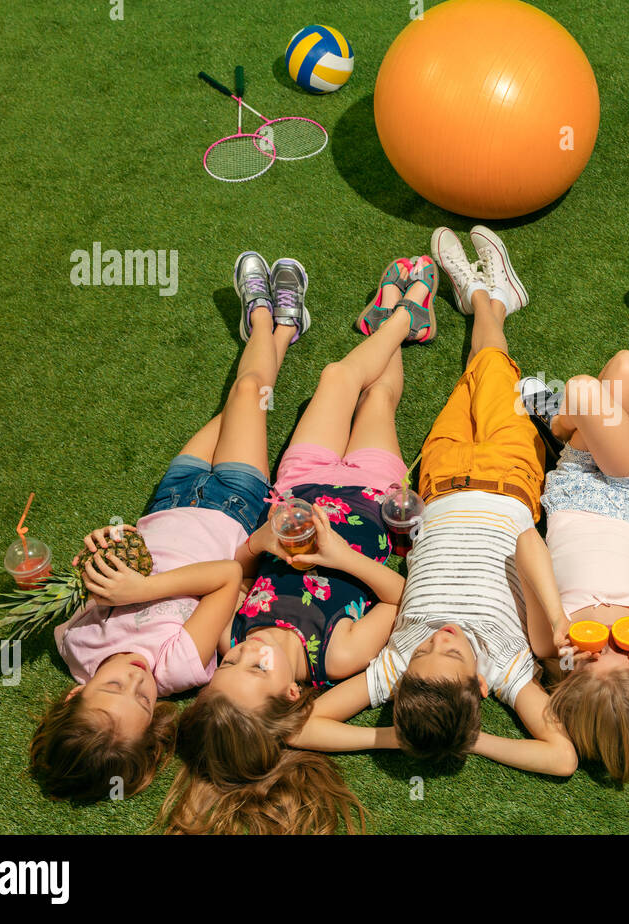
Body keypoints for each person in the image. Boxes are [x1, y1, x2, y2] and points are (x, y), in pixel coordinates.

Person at [159, 256, 440, 834]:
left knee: (337, 378)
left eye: (228, 663)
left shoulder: (233, 633)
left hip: (300, 482)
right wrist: (340, 557)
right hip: (370, 496)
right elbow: (402, 598)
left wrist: (261, 537)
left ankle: (398, 318)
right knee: (378, 400)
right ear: (291, 691)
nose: (241, 650)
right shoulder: (334, 657)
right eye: (253, 666)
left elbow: (232, 573)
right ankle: (402, 321)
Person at [289, 227, 576, 777]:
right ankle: (489, 302)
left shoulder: (397, 668)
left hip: (439, 480)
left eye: (426, 654)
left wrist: (395, 737)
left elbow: (302, 726)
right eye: (453, 657)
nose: (439, 642)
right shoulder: (507, 666)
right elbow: (562, 757)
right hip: (508, 479)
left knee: (470, 386)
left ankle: (483, 303)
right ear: (481, 683)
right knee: (490, 370)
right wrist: (471, 742)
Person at [30, 251, 306, 804]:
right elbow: (228, 576)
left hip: (171, 498)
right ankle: (266, 320)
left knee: (241, 397)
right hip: (233, 506)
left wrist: (102, 551)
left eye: (113, 687)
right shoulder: (180, 668)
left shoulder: (75, 643)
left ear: (71, 696)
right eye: (141, 701)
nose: (136, 680)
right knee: (249, 392)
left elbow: (103, 569)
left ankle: (283, 329)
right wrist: (143, 590)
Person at [518, 349, 629, 783]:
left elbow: (526, 543)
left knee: (588, 391)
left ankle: (564, 424)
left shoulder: (549, 643)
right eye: (625, 653)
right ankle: (562, 423)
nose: (609, 643)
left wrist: (557, 616)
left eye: (595, 659)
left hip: (572, 491)